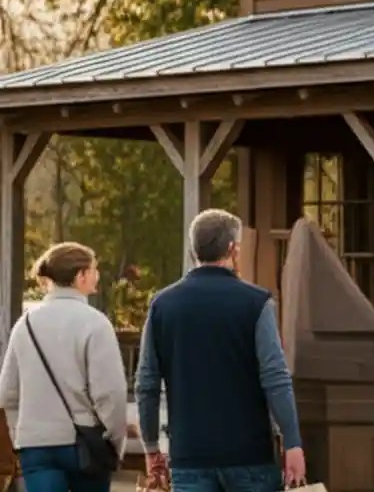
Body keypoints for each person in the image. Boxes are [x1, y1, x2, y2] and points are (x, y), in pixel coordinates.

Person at [135, 209, 306, 492]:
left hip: (190, 455)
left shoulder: (162, 306)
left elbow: (147, 384)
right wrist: (292, 441)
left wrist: (151, 447)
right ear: (231, 248)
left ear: (194, 249)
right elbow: (275, 377)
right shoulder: (256, 303)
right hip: (250, 454)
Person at [0, 243, 128, 492]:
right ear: (81, 275)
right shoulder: (96, 324)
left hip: (35, 445)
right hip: (85, 444)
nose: (97, 275)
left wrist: (21, 436)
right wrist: (114, 441)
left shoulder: (24, 325)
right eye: (94, 269)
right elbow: (110, 394)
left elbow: (7, 392)